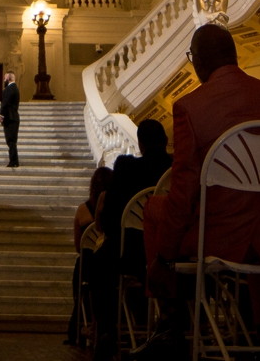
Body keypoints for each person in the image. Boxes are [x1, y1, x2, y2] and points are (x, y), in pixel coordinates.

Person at [142, 23, 260, 354]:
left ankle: (171, 318)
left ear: (198, 61)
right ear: (233, 55)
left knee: (154, 207)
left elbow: (184, 191)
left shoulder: (190, 107)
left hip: (222, 238)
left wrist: (164, 255)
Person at [91, 118, 172, 361]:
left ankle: (106, 329)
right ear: (166, 142)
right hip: (170, 249)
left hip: (131, 250)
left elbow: (112, 212)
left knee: (99, 264)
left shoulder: (126, 167)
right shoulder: (176, 169)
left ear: (140, 143)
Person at [69, 165, 113, 345]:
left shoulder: (82, 210)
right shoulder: (117, 211)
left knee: (80, 269)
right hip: (110, 265)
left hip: (87, 265)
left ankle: (79, 323)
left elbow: (79, 246)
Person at [0, 71, 22, 168]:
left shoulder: (8, 89)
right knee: (13, 141)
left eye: (5, 78)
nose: (4, 80)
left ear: (8, 78)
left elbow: (5, 103)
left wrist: (1, 115)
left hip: (10, 118)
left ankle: (13, 161)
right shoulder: (15, 88)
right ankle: (15, 160)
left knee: (10, 140)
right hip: (14, 117)